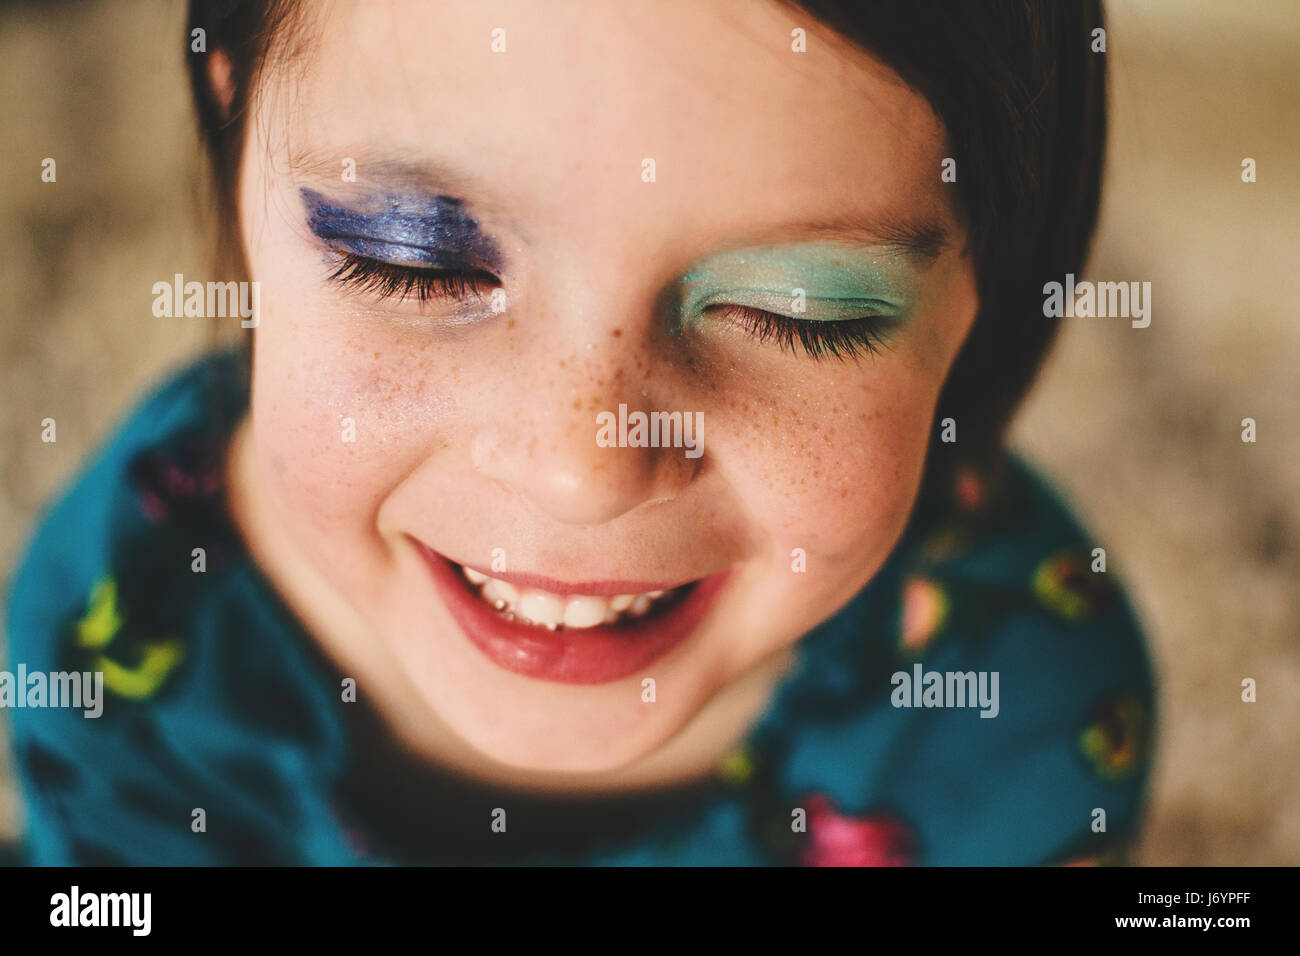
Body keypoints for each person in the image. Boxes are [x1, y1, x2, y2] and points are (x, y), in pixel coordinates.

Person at [7, 0, 1154, 865]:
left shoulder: (1023, 708)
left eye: (797, 308)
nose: (579, 468)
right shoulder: (110, 646)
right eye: (417, 260)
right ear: (230, 107)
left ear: (996, 284)